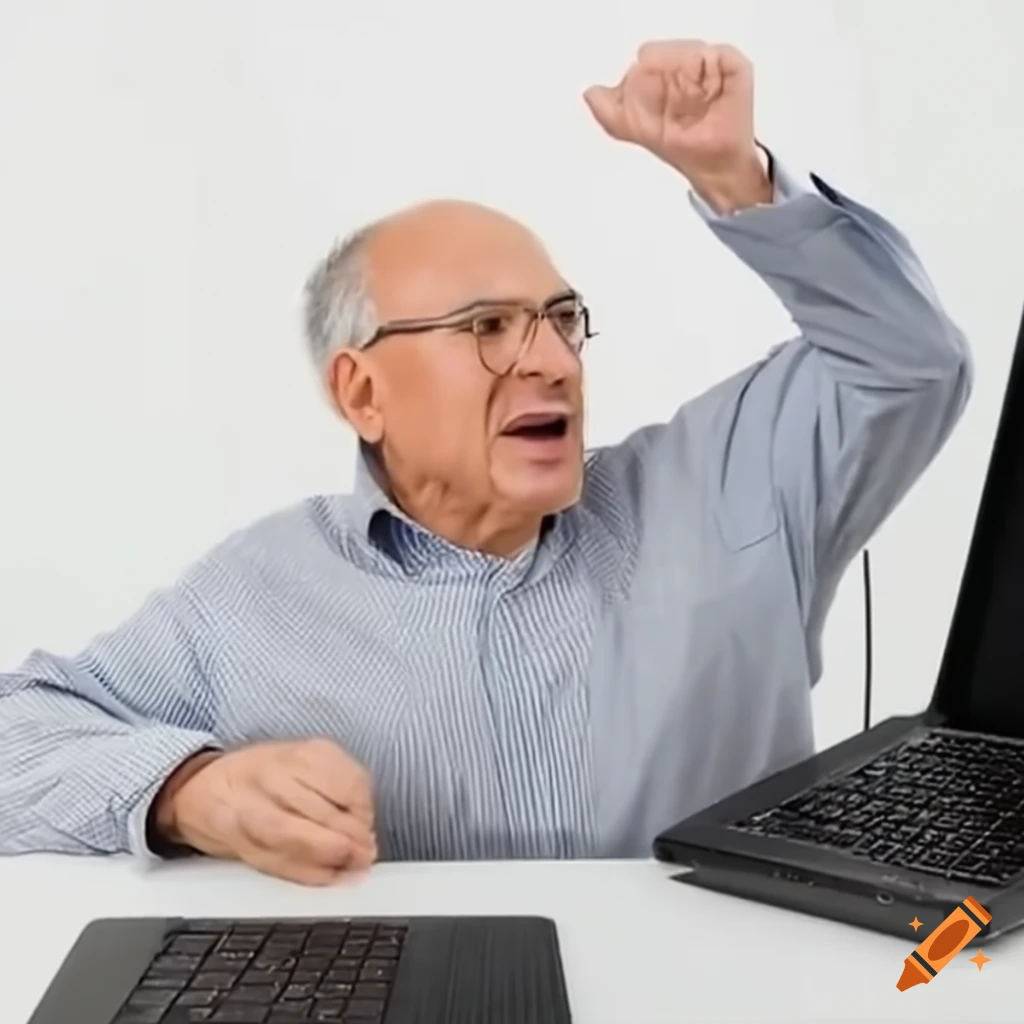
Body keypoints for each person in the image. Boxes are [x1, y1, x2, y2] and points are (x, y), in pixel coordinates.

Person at [0, 39, 971, 886]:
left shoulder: (732, 488)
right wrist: (184, 790)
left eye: (559, 319)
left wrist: (735, 177)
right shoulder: (251, 597)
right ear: (362, 392)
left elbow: (909, 364)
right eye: (489, 328)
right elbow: (20, 736)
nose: (549, 359)